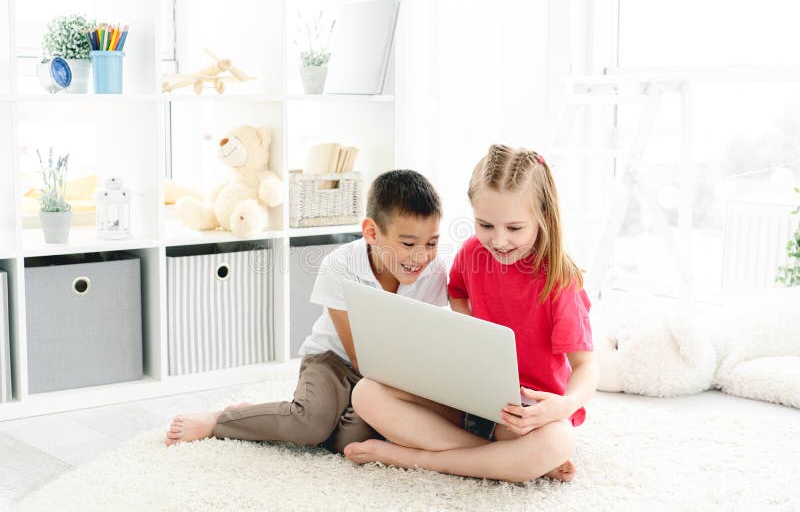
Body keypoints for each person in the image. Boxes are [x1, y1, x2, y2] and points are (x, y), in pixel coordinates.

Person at [344, 144, 598, 483]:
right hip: (469, 397)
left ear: (542, 216)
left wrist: (562, 407)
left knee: (557, 441)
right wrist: (467, 330)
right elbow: (458, 289)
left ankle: (417, 458)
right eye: (485, 225)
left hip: (522, 418)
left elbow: (586, 366)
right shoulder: (473, 252)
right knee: (366, 392)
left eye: (514, 228)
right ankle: (497, 459)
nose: (499, 240)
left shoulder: (559, 279)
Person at [165, 170, 448, 453]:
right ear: (372, 233)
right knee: (311, 423)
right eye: (408, 244)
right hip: (334, 361)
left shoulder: (433, 274)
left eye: (432, 243)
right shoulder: (341, 265)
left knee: (352, 440)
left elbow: (425, 342)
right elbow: (359, 357)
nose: (421, 256)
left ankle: (274, 415)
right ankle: (221, 420)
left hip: (386, 373)